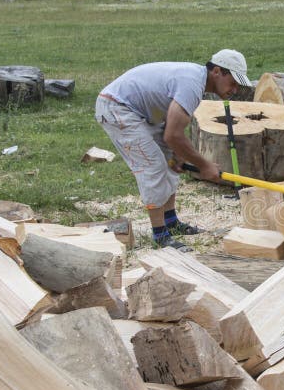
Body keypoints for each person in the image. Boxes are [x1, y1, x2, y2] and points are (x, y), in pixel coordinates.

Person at [95, 49, 253, 251]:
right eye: (233, 82)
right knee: (153, 166)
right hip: (117, 107)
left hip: (140, 112)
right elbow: (172, 135)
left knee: (170, 162)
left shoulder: (196, 80)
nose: (235, 90)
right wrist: (203, 165)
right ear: (217, 72)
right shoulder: (192, 84)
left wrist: (177, 153)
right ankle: (160, 236)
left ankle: (171, 222)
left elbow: (175, 126)